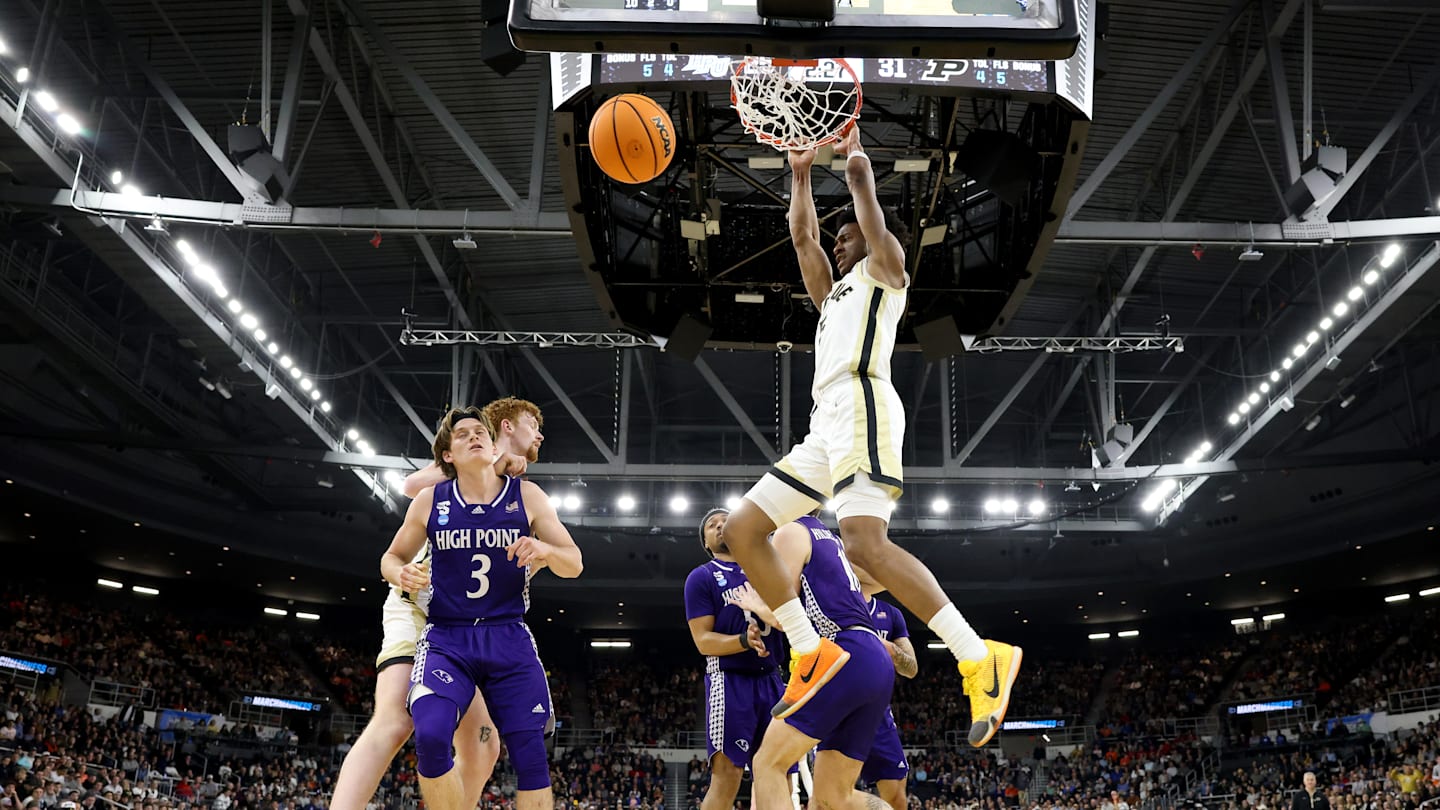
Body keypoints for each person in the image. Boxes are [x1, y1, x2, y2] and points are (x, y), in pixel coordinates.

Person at [719, 122, 1022, 747]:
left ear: (877, 240)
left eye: (847, 233)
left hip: (864, 401)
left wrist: (851, 148)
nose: (838, 239)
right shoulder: (833, 296)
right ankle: (809, 652)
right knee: (744, 530)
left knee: (862, 544)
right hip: (824, 423)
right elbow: (802, 236)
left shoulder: (887, 271)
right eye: (839, 236)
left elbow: (862, 190)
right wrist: (799, 172)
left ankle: (977, 654)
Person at [331, 397, 544, 810]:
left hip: (468, 627)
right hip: (419, 602)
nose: (539, 432)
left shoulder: (520, 491)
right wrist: (497, 461)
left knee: (484, 746)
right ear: (503, 426)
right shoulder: (474, 452)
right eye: (531, 422)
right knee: (396, 720)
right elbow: (412, 486)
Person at [382, 406, 582, 810]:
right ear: (448, 456)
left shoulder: (526, 495)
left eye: (480, 432)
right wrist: (400, 574)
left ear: (494, 446)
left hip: (507, 633)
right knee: (433, 736)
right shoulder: (429, 500)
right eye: (462, 435)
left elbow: (574, 562)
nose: (474, 437)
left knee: (532, 756)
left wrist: (543, 548)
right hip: (446, 636)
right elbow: (391, 557)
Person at [742, 513, 895, 810]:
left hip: (839, 654)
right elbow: (880, 578)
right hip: (873, 658)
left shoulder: (792, 530)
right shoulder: (831, 540)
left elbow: (783, 614)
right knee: (832, 799)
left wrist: (756, 605)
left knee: (768, 764)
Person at [683, 507, 786, 810]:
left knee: (777, 774)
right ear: (706, 542)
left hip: (773, 680)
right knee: (729, 775)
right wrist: (744, 641)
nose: (721, 526)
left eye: (726, 521)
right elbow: (703, 641)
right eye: (712, 525)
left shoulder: (768, 567)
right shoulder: (701, 577)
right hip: (730, 681)